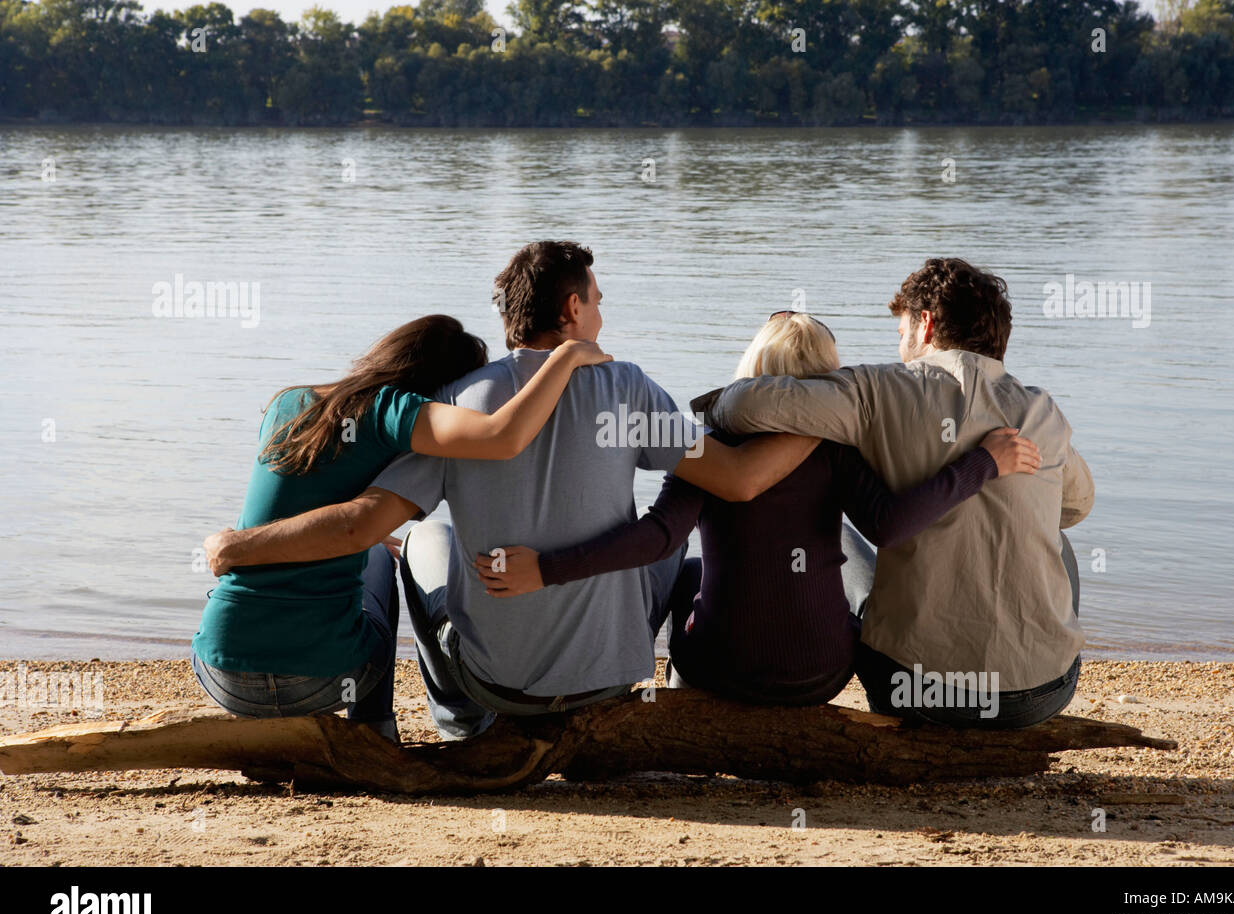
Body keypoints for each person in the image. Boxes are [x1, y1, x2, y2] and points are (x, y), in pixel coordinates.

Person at [203, 242, 818, 740]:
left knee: (420, 541)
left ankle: (460, 723)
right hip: (608, 679)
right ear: (573, 310)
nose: (603, 317)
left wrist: (241, 545)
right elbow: (739, 480)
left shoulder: (457, 399)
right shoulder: (629, 388)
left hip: (498, 684)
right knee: (672, 559)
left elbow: (364, 520)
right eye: (598, 303)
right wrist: (826, 416)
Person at [474, 312, 1042, 707]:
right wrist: (980, 465)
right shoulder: (839, 447)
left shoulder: (712, 443)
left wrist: (545, 569)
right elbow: (891, 525)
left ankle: (660, 685)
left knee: (683, 568)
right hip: (821, 673)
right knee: (848, 555)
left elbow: (658, 538)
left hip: (722, 672)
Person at [695, 259, 1095, 729]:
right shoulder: (1043, 411)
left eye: (900, 329)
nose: (900, 344)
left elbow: (744, 404)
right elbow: (1076, 505)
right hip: (1043, 693)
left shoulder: (877, 392)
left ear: (924, 324)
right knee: (1055, 536)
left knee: (846, 540)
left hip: (920, 692)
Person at [194, 314, 613, 742]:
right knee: (378, 554)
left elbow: (295, 503)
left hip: (222, 674)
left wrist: (239, 546)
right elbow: (501, 435)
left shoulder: (289, 401)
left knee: (374, 545)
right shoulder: (390, 409)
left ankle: (360, 722)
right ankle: (372, 726)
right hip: (317, 680)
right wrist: (564, 359)